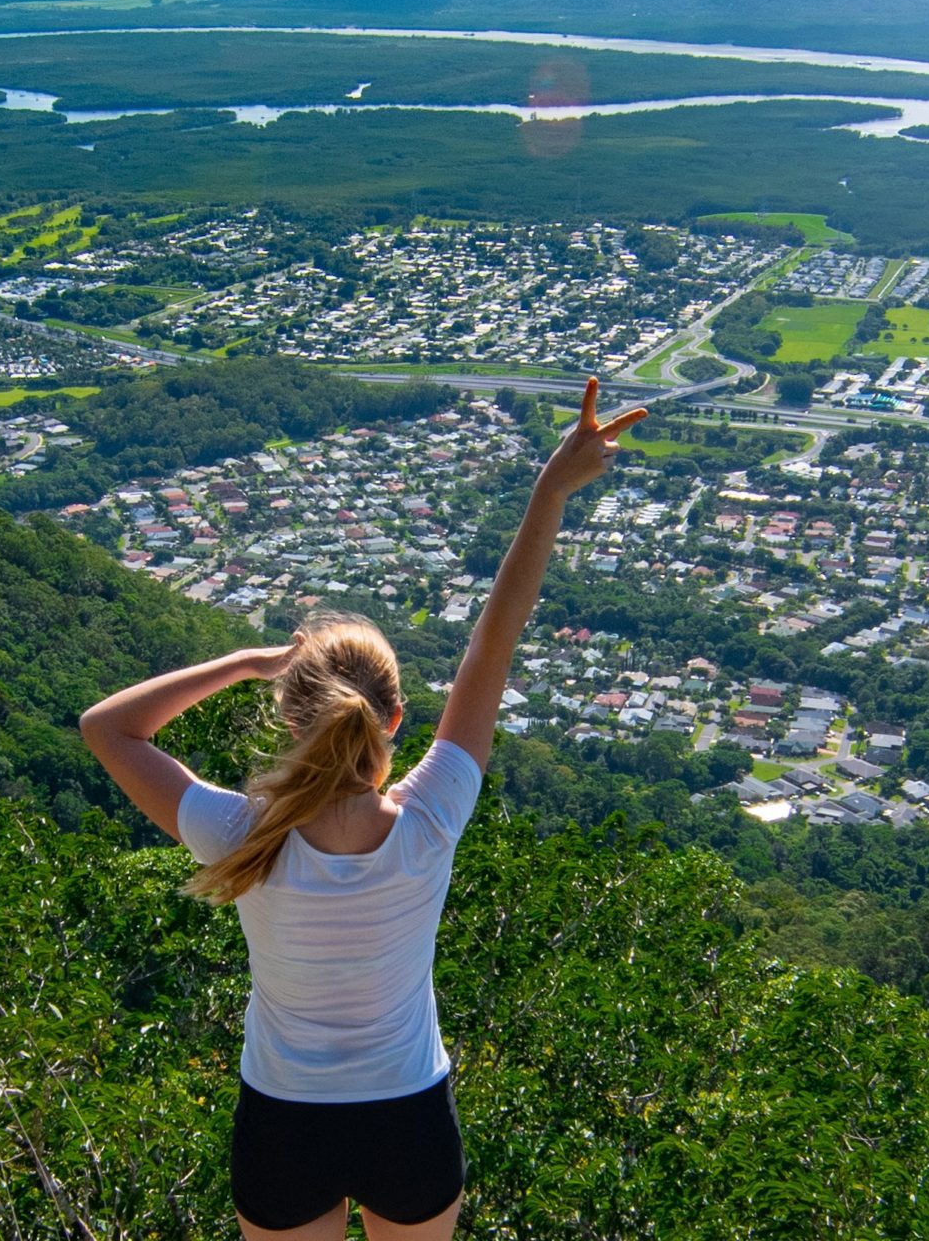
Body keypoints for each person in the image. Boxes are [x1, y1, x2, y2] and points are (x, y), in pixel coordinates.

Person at [80, 378, 646, 1240]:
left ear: (287, 718)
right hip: (408, 1117)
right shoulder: (428, 822)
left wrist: (242, 660)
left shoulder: (243, 836)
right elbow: (495, 636)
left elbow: (109, 729)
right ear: (393, 721)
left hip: (283, 1120)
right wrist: (549, 491)